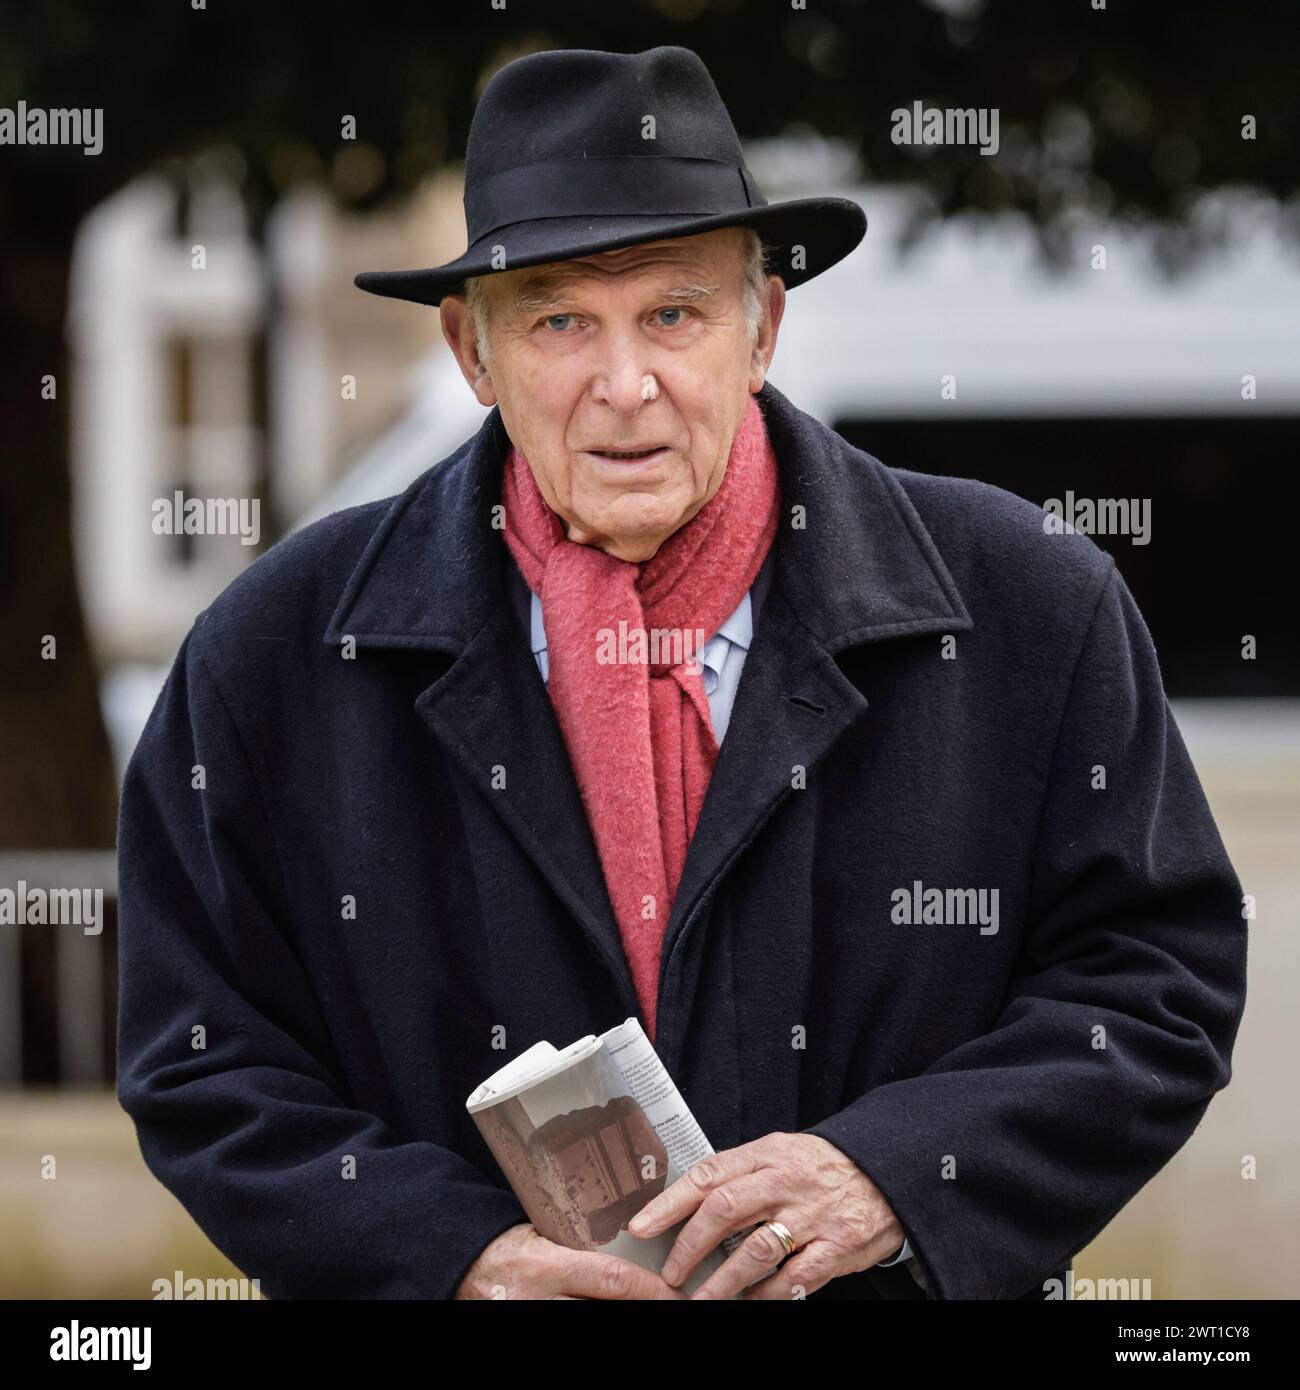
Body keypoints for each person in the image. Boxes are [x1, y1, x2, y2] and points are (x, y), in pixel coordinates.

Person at [115, 45, 1248, 1301]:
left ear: (760, 328)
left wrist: (890, 1175)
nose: (625, 385)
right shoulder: (272, 654)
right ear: (472, 355)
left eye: (673, 312)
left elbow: (1155, 987)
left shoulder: (1030, 605)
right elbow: (202, 1056)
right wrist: (451, 1258)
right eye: (557, 320)